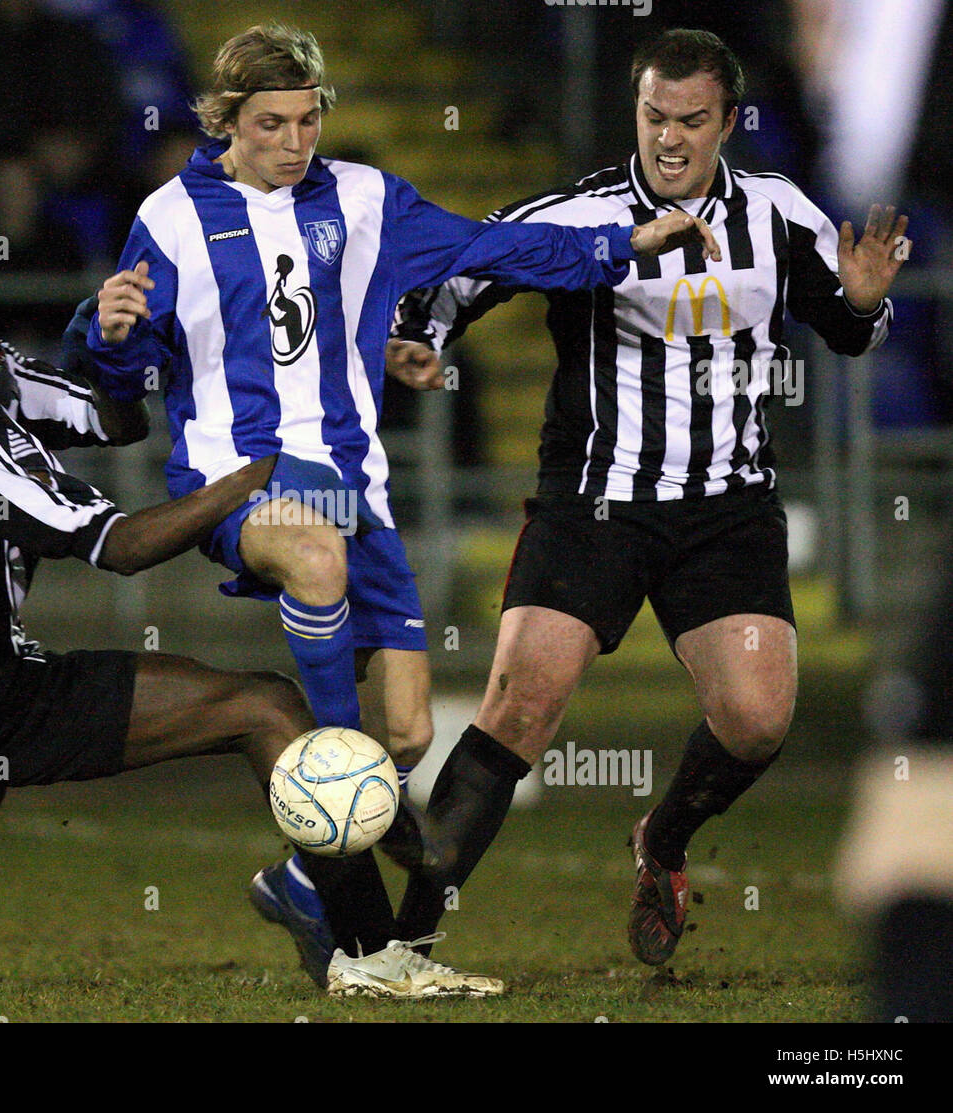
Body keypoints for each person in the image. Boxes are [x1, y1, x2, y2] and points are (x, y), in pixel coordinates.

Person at [61, 21, 714, 972]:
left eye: (308, 121)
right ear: (225, 121)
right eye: (271, 124)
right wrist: (108, 331)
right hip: (233, 478)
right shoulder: (169, 217)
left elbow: (494, 248)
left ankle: (300, 876)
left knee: (407, 729)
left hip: (352, 481)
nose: (294, 142)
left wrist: (625, 242)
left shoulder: (367, 200)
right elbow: (120, 369)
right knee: (314, 563)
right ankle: (338, 800)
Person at [0, 250, 494, 998]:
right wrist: (255, 475)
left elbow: (114, 421)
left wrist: (119, 344)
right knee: (264, 707)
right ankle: (368, 951)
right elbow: (122, 548)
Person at [386, 27, 910, 967]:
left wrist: (865, 304)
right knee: (516, 708)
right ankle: (404, 942)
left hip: (728, 508)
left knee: (757, 721)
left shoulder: (779, 214)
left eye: (692, 121)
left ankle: (660, 843)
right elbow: (468, 266)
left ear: (729, 124)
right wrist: (423, 333)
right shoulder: (582, 213)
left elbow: (845, 332)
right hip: (595, 499)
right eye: (653, 116)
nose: (669, 138)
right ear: (637, 110)